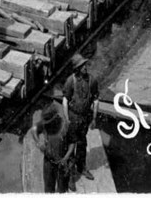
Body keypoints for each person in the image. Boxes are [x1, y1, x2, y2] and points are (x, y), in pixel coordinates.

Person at [62, 55, 99, 184]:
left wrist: (94, 118)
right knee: (71, 145)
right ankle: (71, 174)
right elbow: (65, 100)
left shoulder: (92, 80)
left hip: (85, 118)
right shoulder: (70, 81)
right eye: (82, 66)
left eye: (85, 65)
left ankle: (81, 167)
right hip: (73, 117)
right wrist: (66, 119)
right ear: (76, 68)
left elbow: (95, 99)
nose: (85, 67)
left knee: (82, 143)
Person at [30, 104, 72, 193]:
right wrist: (38, 142)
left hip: (62, 162)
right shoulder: (46, 122)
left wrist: (66, 158)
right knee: (48, 189)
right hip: (49, 161)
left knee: (62, 189)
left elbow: (72, 144)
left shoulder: (66, 126)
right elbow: (34, 129)